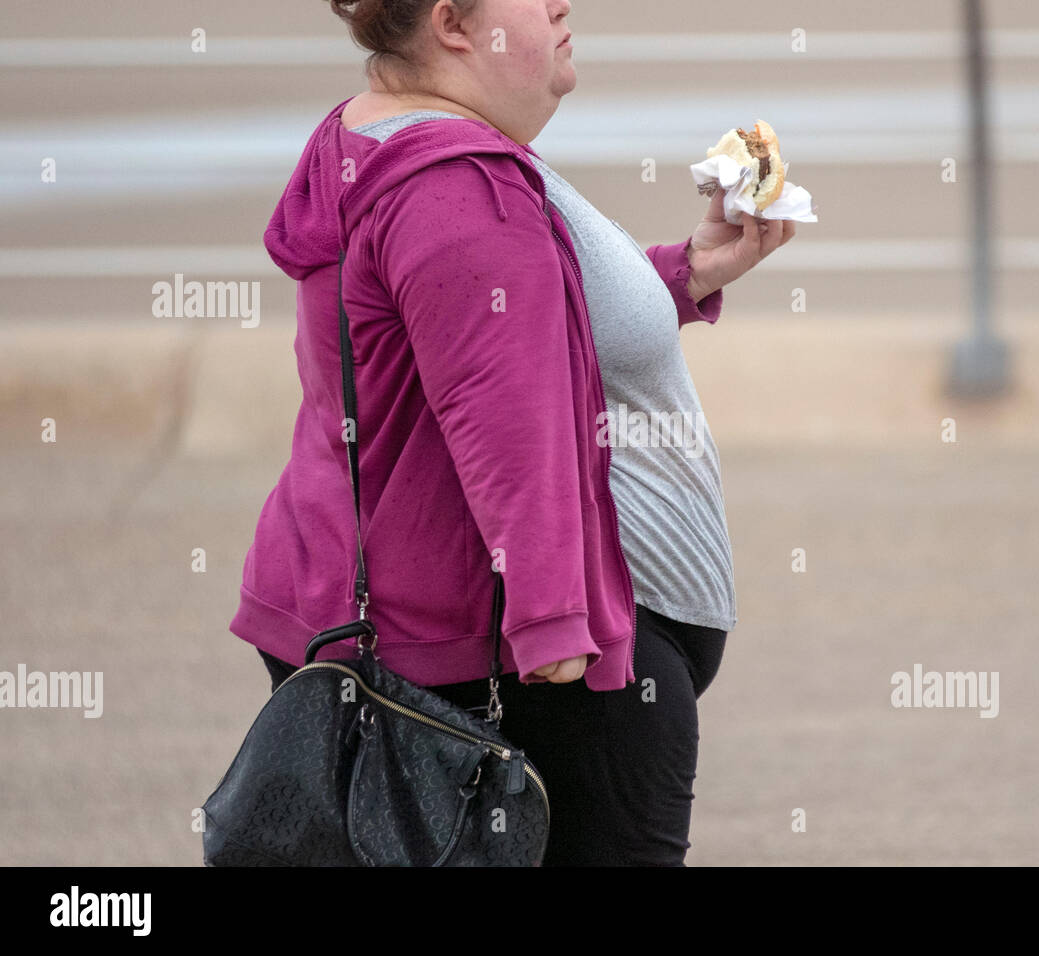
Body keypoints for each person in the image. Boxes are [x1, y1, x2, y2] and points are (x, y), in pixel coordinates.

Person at [229, 0, 797, 866]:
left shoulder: (384, 132)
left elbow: (506, 326)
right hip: (520, 664)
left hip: (392, 612)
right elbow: (505, 426)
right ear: (455, 25)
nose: (563, 5)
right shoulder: (457, 190)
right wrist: (556, 630)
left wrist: (683, 275)